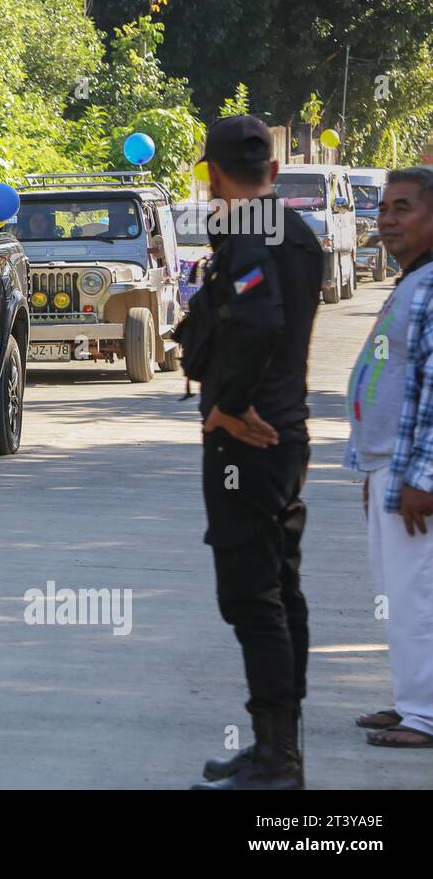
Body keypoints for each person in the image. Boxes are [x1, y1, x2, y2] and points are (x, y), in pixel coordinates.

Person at [184, 116, 323, 790]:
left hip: (253, 440)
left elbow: (261, 320)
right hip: (289, 434)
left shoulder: (248, 232)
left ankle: (277, 758)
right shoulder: (298, 232)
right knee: (280, 589)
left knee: (251, 596)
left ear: (212, 175)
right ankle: (277, 748)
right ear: (274, 171)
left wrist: (229, 409)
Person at [345, 165, 433, 749]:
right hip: (388, 467)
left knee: (416, 595)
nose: (387, 220)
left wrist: (425, 477)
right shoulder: (412, 281)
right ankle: (411, 701)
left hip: (415, 475)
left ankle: (425, 716)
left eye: (403, 208)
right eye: (383, 208)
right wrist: (372, 466)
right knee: (397, 595)